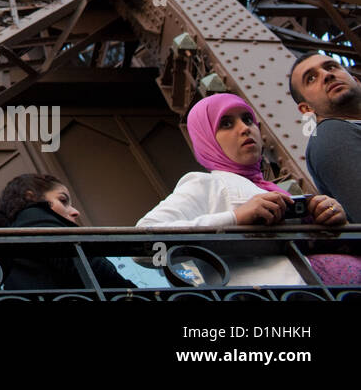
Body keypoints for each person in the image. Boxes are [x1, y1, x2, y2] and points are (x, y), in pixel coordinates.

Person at [137, 93, 347, 287]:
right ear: (206, 139)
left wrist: (329, 219)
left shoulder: (271, 189)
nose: (245, 128)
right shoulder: (205, 184)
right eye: (226, 124)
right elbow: (143, 247)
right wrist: (235, 218)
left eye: (247, 119)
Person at [0, 173, 133, 292]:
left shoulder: (18, 236)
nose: (76, 212)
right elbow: (94, 269)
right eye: (63, 200)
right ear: (30, 197)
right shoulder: (33, 215)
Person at [291, 52, 361, 220]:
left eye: (331, 67)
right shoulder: (331, 133)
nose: (327, 75)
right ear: (307, 110)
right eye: (311, 78)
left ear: (357, 82)